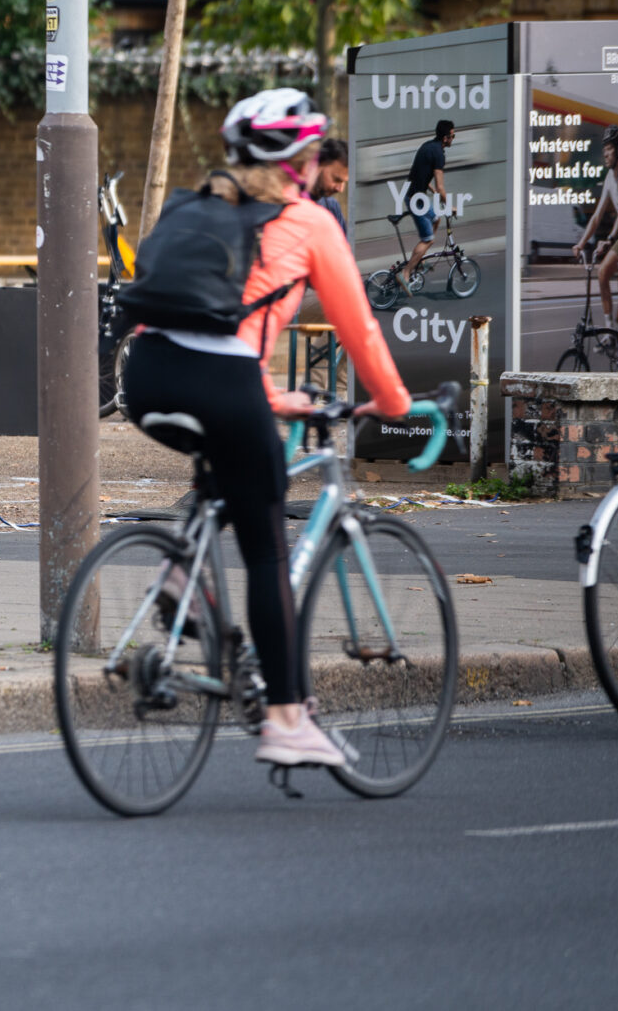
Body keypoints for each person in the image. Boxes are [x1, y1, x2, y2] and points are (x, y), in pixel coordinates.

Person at [123, 89, 414, 768]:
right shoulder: (310, 222)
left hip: (148, 375)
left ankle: (178, 579)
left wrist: (269, 397)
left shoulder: (199, 205)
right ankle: (286, 718)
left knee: (226, 469)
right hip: (221, 382)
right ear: (305, 161)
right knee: (265, 543)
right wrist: (395, 404)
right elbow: (359, 330)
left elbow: (207, 316)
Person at [572, 125, 618, 325]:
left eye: (609, 149)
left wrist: (609, 239)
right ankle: (609, 330)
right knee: (602, 274)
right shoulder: (609, 178)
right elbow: (597, 216)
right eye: (604, 150)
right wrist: (581, 243)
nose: (605, 154)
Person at [399, 119, 455, 288]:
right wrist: (451, 205)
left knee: (436, 218)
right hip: (415, 199)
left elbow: (420, 173)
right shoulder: (439, 154)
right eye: (453, 135)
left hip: (416, 194)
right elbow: (441, 186)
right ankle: (406, 273)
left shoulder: (428, 145)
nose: (454, 138)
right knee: (428, 239)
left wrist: (430, 190)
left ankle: (420, 259)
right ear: (445, 138)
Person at [311, 137, 350, 236]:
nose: (340, 189)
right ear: (319, 164)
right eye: (336, 180)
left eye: (344, 182)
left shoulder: (332, 206)